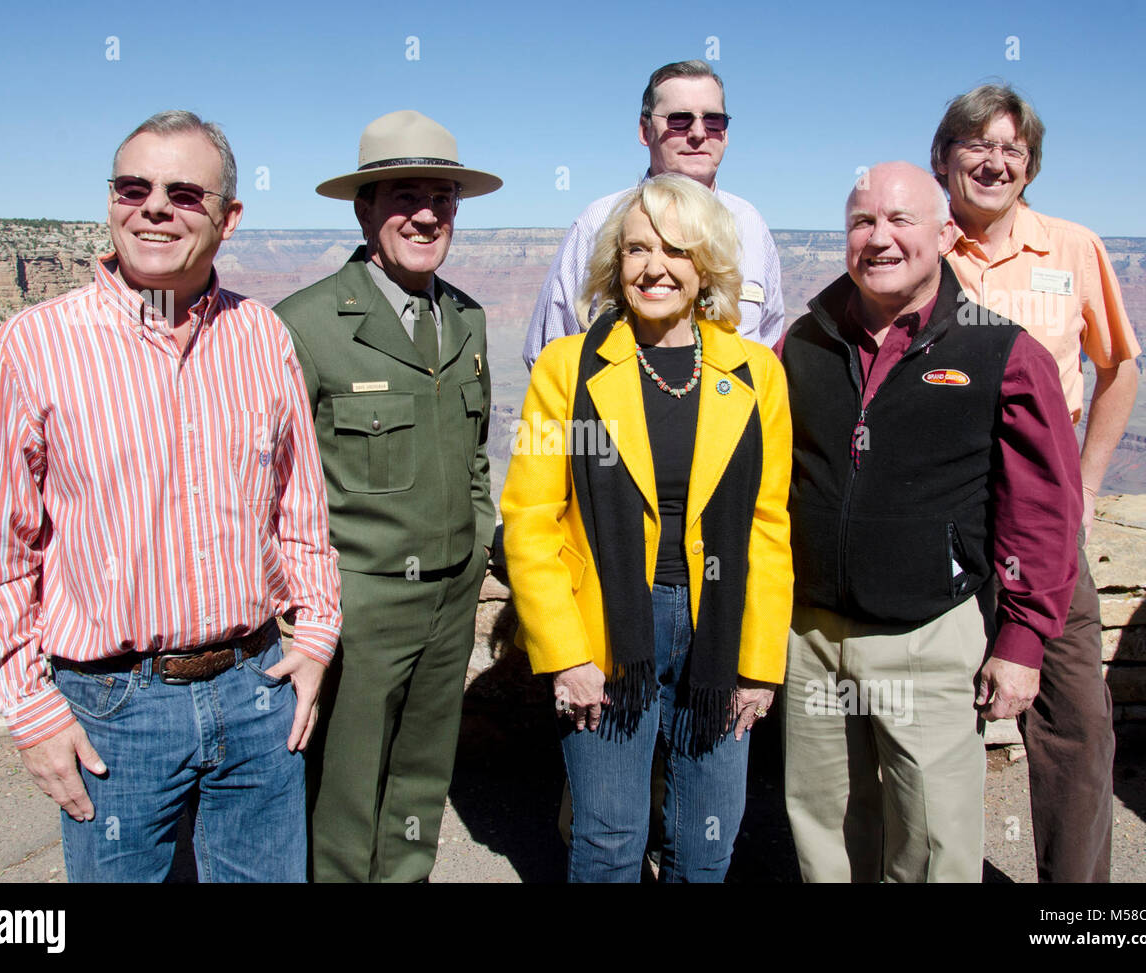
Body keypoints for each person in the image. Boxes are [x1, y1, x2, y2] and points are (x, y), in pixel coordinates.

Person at [0, 110, 341, 882]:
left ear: (229, 218)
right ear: (112, 201)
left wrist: (317, 636)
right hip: (113, 708)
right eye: (135, 186)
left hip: (257, 684)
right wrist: (31, 712)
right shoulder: (30, 346)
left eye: (185, 193)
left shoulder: (262, 336)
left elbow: (299, 507)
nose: (155, 206)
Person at [780, 162, 1081, 882]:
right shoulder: (805, 342)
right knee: (822, 829)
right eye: (862, 222)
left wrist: (1024, 637)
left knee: (933, 845)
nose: (878, 239)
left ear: (946, 233)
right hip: (811, 633)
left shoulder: (1000, 352)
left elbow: (1043, 508)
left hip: (929, 633)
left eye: (899, 220)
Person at [502, 172, 793, 882]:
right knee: (607, 839)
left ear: (708, 266)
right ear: (614, 262)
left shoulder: (756, 374)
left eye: (676, 249)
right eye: (636, 249)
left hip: (715, 628)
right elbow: (531, 518)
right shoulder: (568, 369)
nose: (654, 266)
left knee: (707, 843)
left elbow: (767, 526)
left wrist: (758, 663)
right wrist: (566, 653)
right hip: (606, 631)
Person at [274, 110, 500, 883]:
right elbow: (268, 482)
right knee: (343, 789)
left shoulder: (466, 318)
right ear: (365, 208)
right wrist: (306, 603)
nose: (427, 213)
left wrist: (476, 540)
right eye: (405, 195)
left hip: (450, 596)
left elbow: (474, 458)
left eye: (442, 196)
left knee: (421, 779)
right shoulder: (306, 326)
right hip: (359, 602)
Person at [931, 84, 1137, 883]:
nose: (995, 161)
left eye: (1012, 149)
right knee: (933, 722)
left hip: (1044, 523)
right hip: (944, 520)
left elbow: (1118, 368)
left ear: (1032, 165)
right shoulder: (919, 247)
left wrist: (1084, 488)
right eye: (977, 145)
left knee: (1076, 723)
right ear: (945, 157)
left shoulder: (1073, 248)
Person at [523, 59, 785, 370]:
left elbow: (768, 349)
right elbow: (548, 357)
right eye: (679, 120)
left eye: (713, 120)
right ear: (645, 130)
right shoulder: (597, 223)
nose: (699, 133)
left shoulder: (750, 225)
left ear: (726, 133)